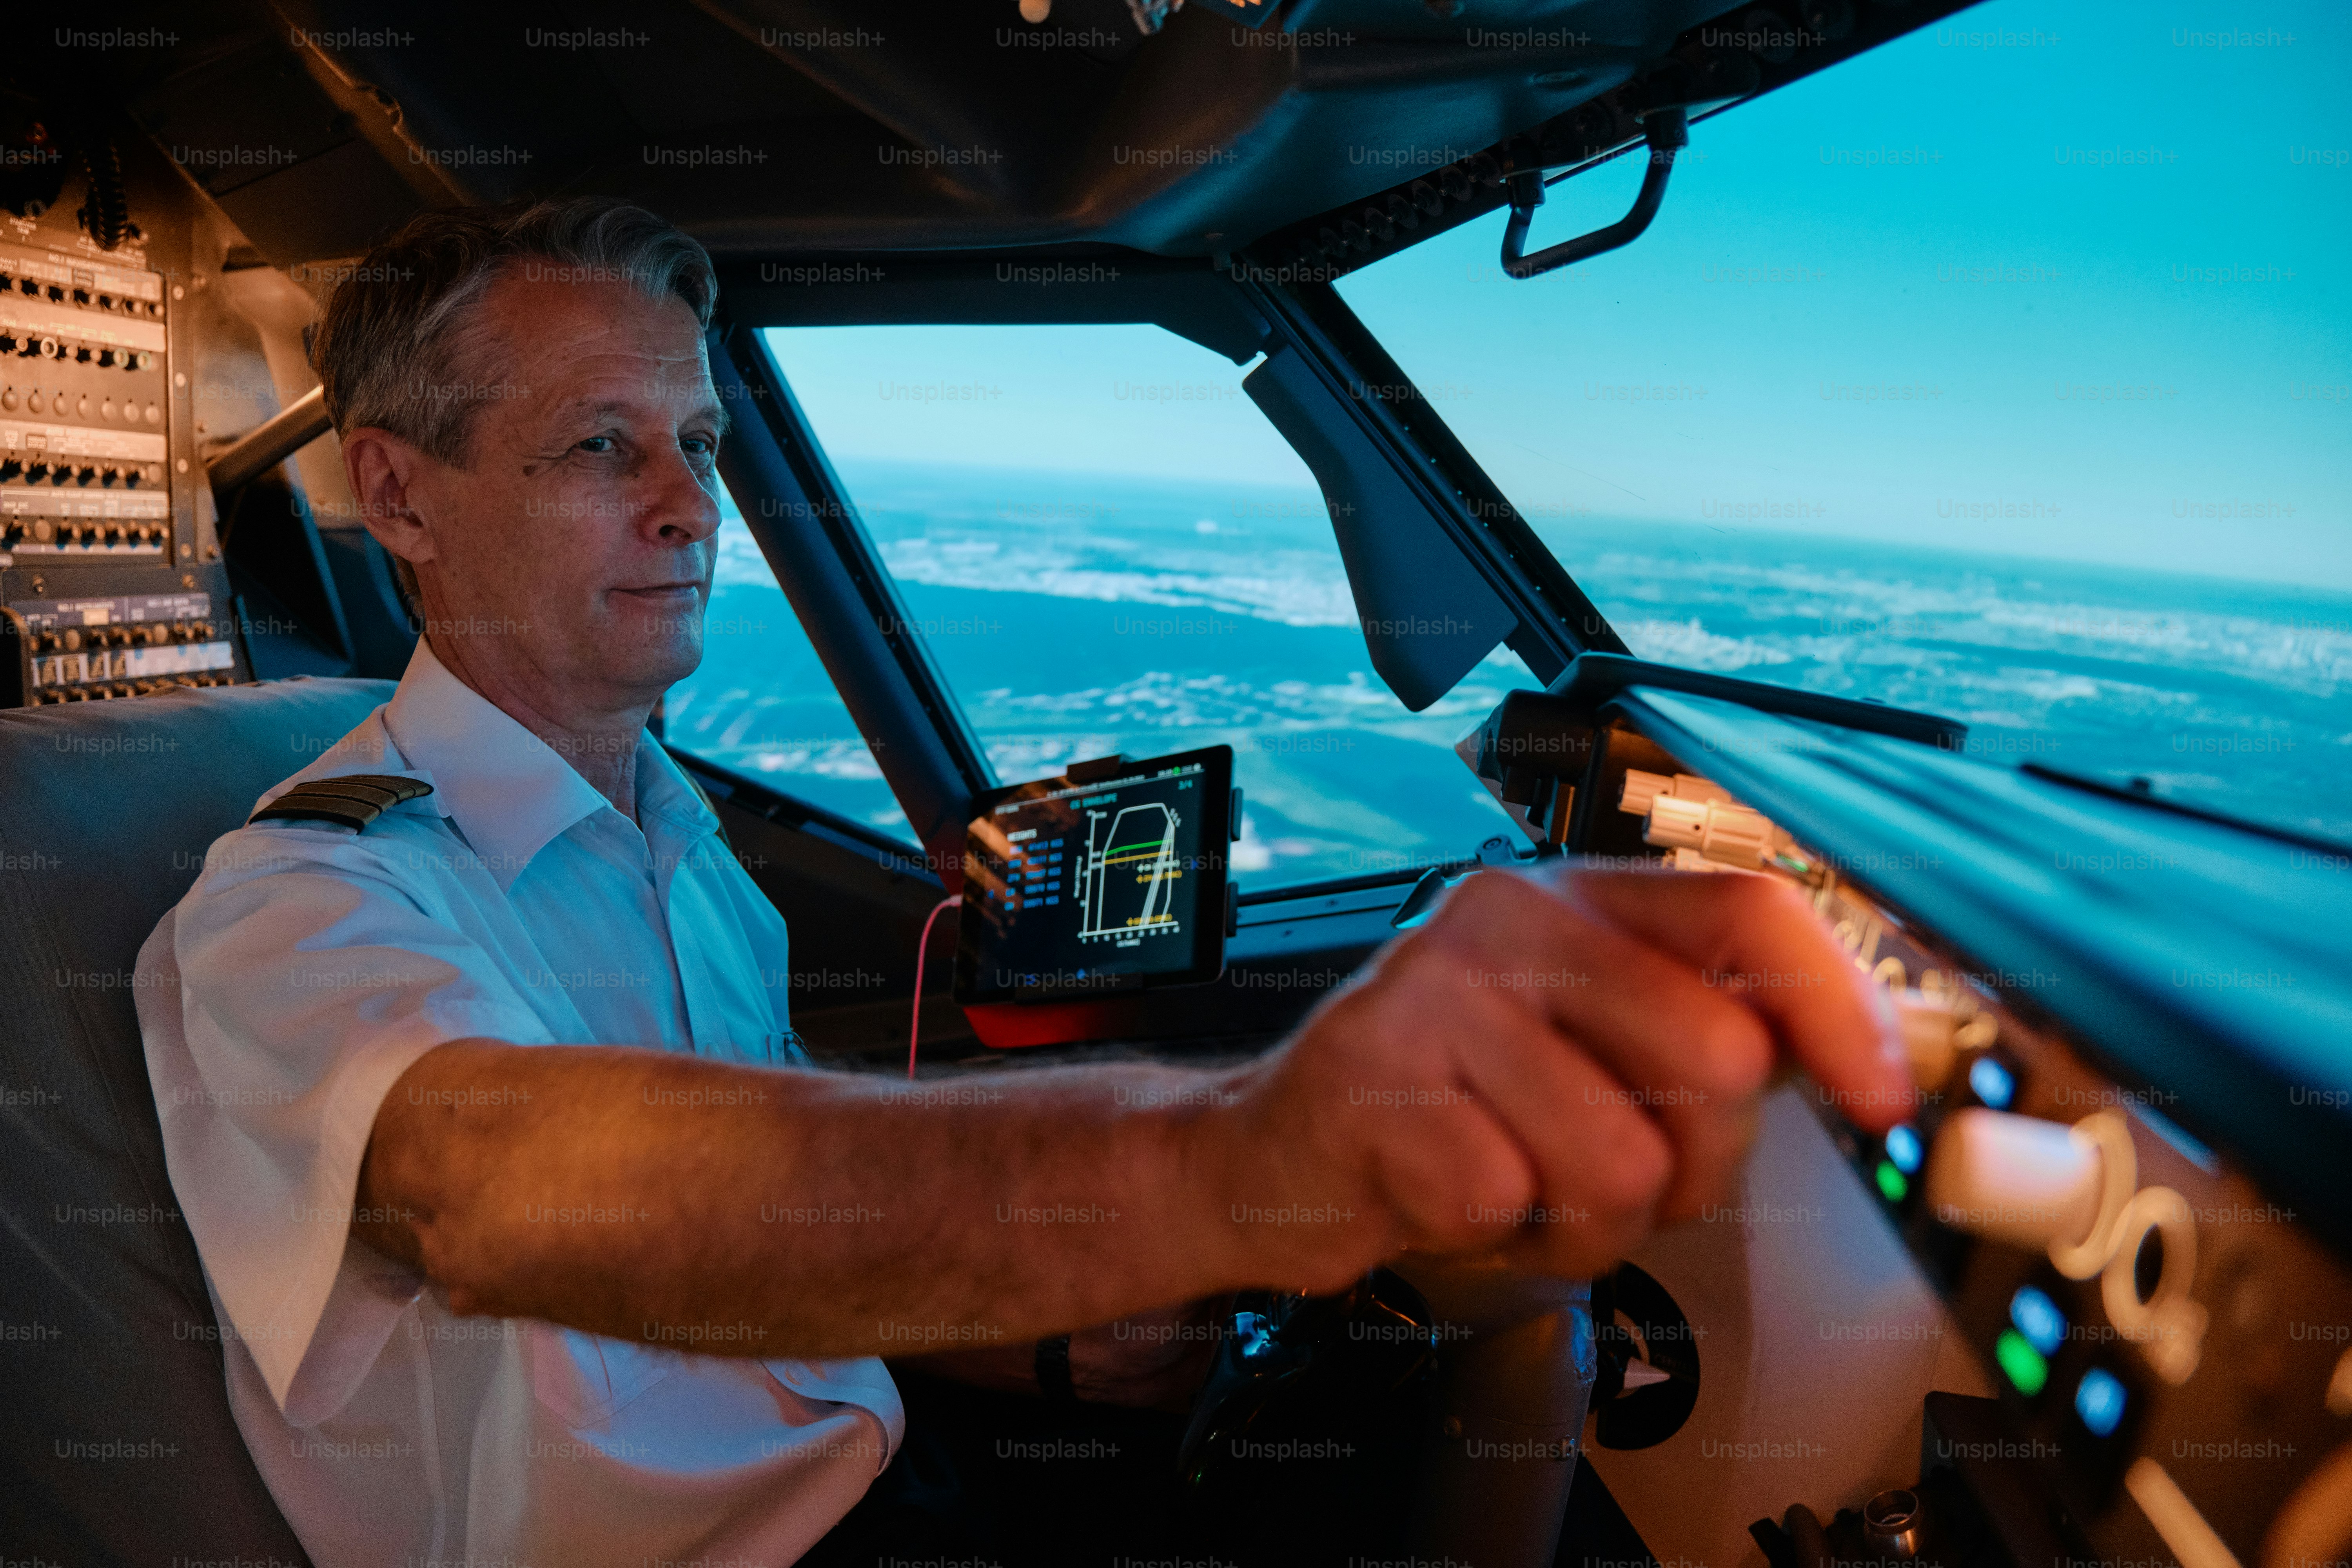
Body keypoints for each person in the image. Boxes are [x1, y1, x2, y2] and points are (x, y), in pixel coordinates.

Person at [137, 196, 1912, 1567]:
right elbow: (495, 1195)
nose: (692, 506)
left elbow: (761, 1226)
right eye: (605, 444)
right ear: (401, 496)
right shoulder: (297, 905)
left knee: (1488, 1370)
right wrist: (1241, 1162)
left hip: (903, 1470)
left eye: (705, 443)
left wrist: (1035, 1346)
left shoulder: (680, 839)